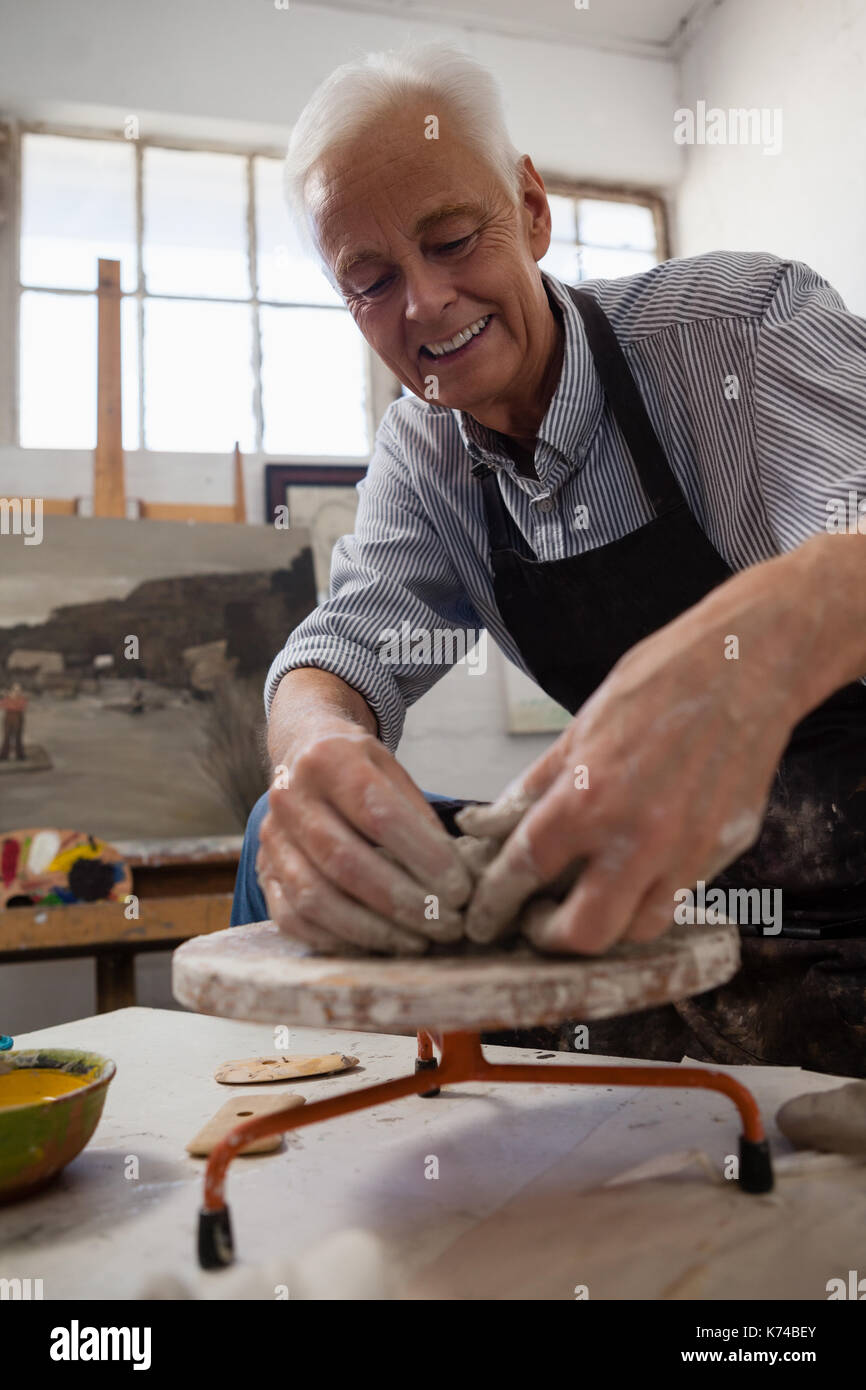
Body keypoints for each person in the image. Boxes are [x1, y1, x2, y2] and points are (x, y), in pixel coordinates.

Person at [233, 43, 866, 1075]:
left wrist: (753, 645)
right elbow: (344, 648)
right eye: (371, 280)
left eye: (449, 239)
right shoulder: (422, 450)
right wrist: (312, 751)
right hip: (662, 917)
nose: (425, 302)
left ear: (529, 207)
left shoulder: (735, 330)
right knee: (288, 834)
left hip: (841, 912)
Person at [0, 683, 28, 761]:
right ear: (12, 690)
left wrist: (12, 702)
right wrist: (10, 699)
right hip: (8, 718)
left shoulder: (22, 698)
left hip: (19, 718)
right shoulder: (7, 698)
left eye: (19, 690)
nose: (17, 691)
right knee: (7, 737)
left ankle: (20, 755)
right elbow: (2, 705)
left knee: (18, 737)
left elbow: (22, 706)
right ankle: (4, 755)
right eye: (15, 690)